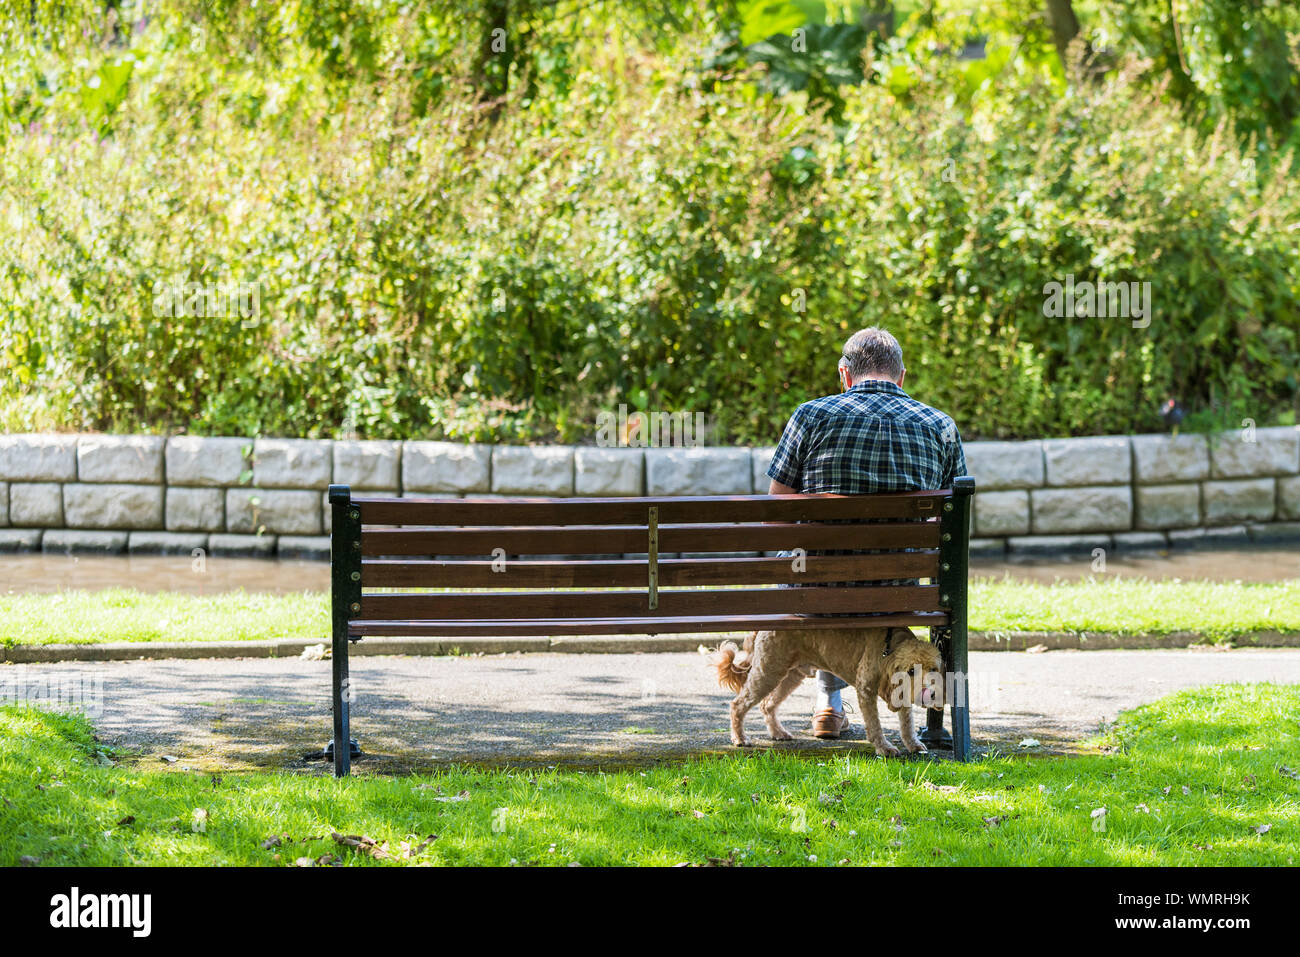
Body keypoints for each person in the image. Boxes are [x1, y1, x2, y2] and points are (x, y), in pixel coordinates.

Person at [765, 327, 968, 739]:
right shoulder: (940, 426)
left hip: (820, 595)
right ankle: (936, 724)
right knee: (869, 588)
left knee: (821, 574)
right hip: (901, 595)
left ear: (844, 375)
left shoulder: (810, 416)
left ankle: (829, 701)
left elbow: (776, 512)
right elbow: (954, 525)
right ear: (902, 376)